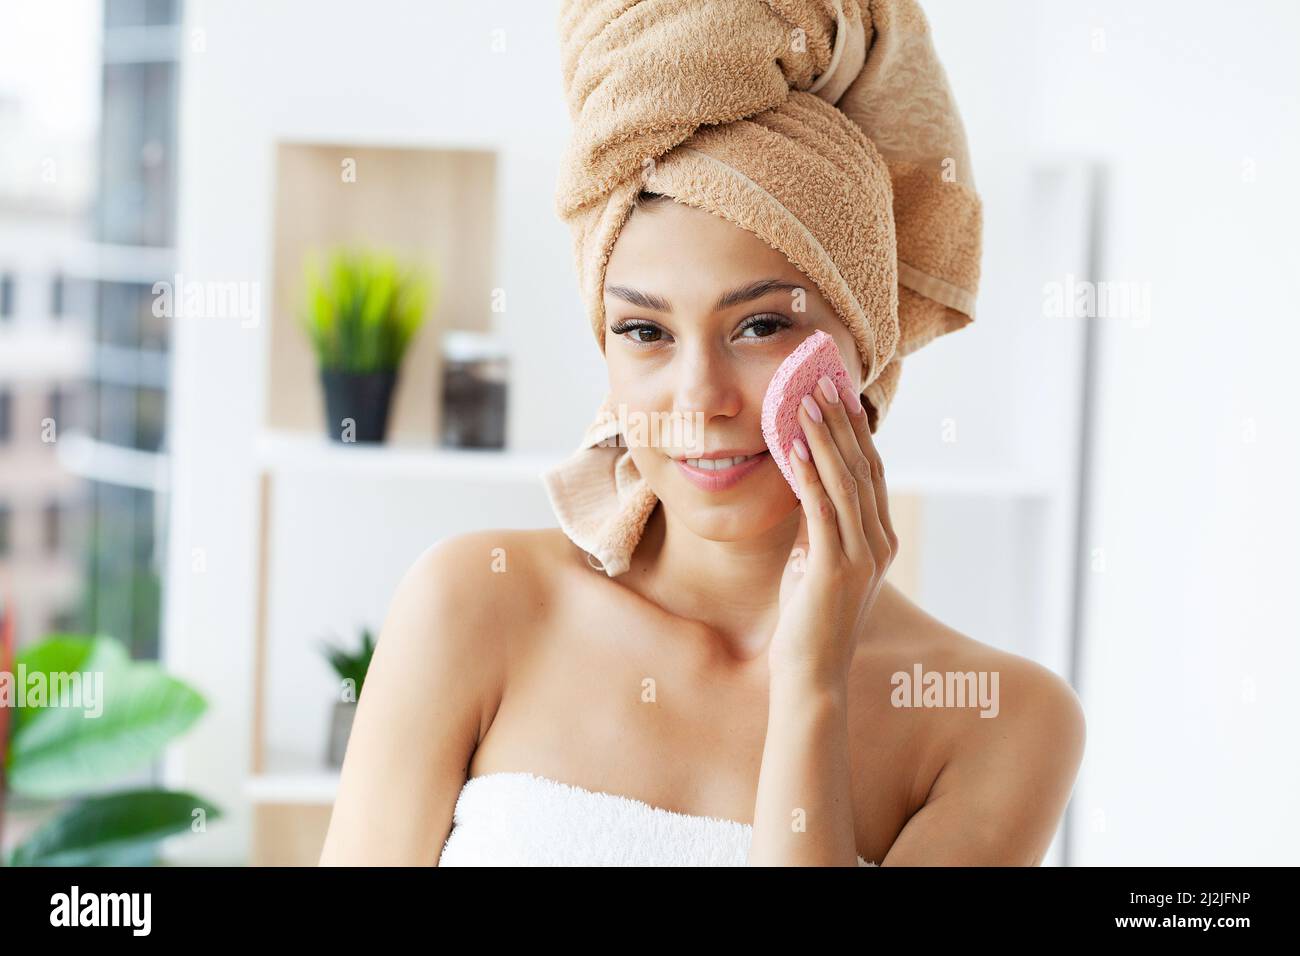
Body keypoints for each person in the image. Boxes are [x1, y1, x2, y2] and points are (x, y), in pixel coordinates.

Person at [319, 0, 1085, 866]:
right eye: (645, 332)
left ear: (861, 344)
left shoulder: (999, 721)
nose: (699, 399)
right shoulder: (472, 605)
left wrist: (811, 687)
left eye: (760, 326)